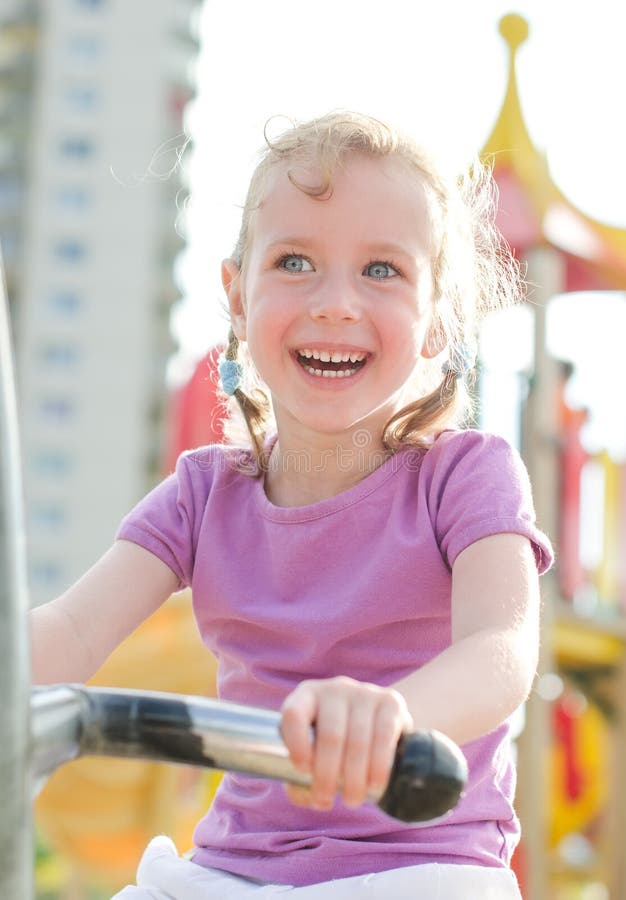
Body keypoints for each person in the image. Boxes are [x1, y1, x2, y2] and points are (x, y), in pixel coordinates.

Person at [31, 111, 553, 899]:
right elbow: (71, 630)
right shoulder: (202, 495)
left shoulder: (466, 477)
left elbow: (502, 651)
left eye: (382, 270)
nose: (336, 302)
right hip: (229, 871)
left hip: (417, 871)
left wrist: (392, 715)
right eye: (295, 261)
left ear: (439, 317)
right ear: (237, 298)